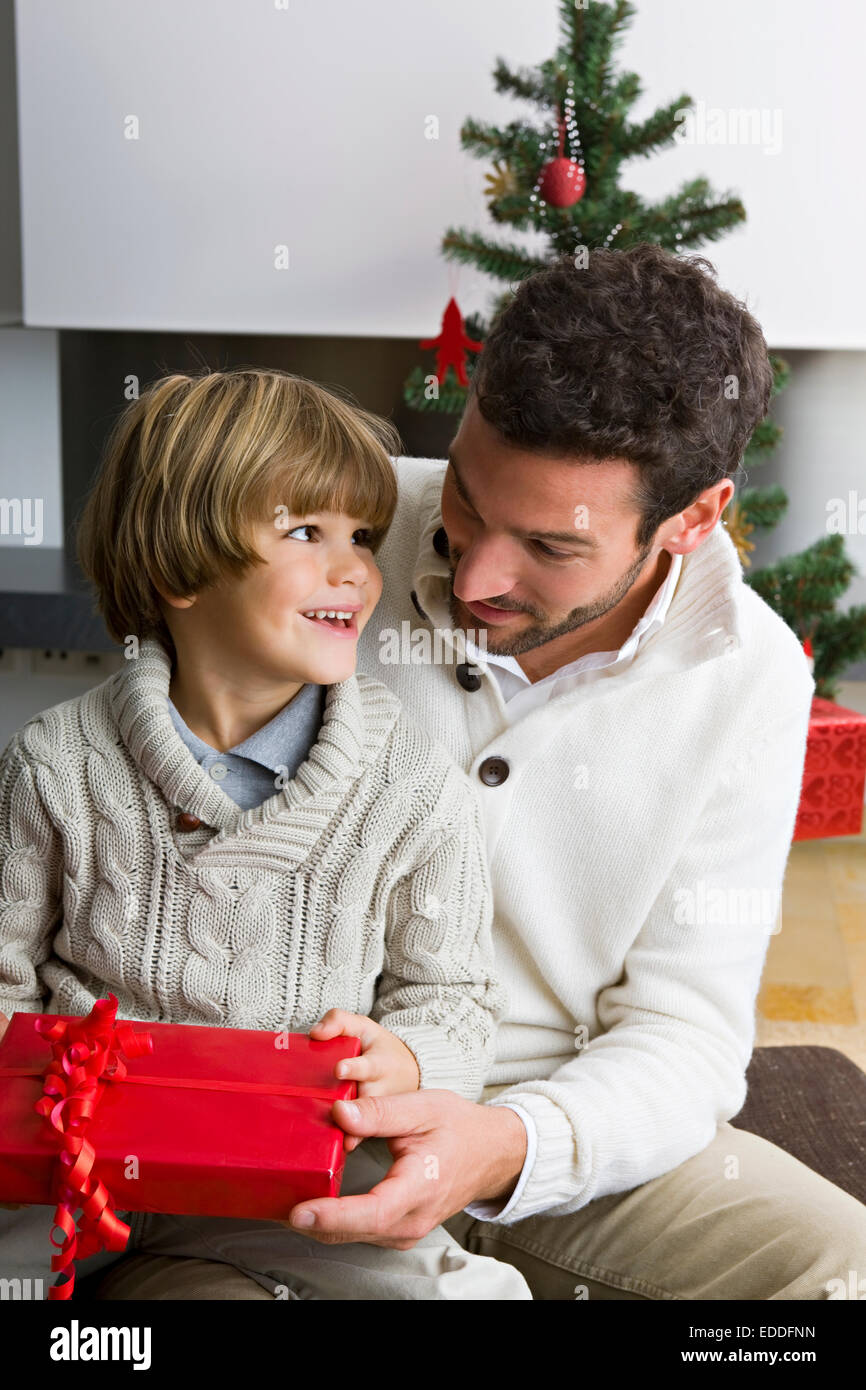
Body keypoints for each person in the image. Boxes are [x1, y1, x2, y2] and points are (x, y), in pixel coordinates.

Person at [99, 242, 866, 1301]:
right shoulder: (326, 535)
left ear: (691, 519)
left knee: (839, 1270)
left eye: (550, 548)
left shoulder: (750, 676)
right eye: (465, 493)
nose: (474, 572)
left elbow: (682, 1036)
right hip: (283, 1120)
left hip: (547, 1129)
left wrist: (507, 1143)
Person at [0, 367, 532, 1300]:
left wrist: (406, 1056)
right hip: (71, 1181)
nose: (355, 569)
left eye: (361, 536)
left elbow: (454, 997)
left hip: (314, 1185)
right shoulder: (54, 767)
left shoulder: (411, 788)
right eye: (305, 532)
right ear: (176, 570)